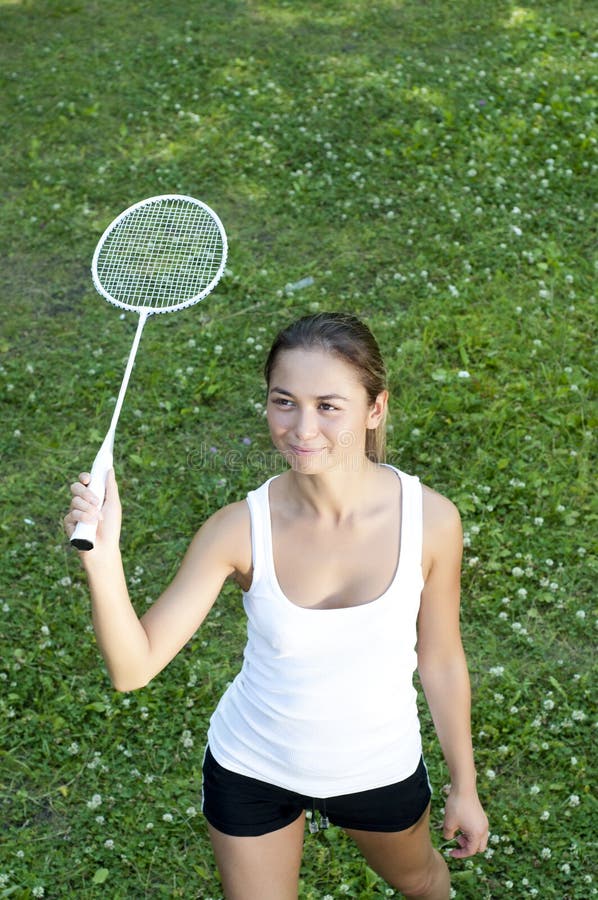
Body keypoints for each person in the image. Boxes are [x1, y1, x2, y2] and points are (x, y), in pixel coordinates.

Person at [65, 312, 488, 900]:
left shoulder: (432, 522)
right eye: (283, 402)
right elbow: (133, 669)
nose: (302, 428)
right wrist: (102, 559)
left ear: (375, 409)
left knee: (420, 882)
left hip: (377, 766)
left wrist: (463, 785)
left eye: (328, 406)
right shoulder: (236, 531)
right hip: (252, 765)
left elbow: (441, 659)